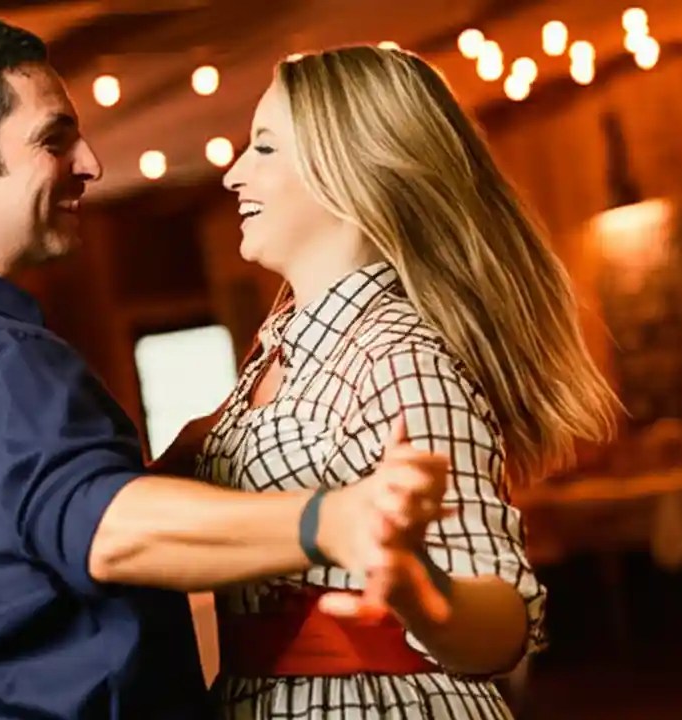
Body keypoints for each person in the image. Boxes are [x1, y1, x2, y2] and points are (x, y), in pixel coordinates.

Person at [0, 20, 454, 720]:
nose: (90, 162)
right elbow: (103, 533)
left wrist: (178, 469)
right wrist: (330, 520)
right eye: (53, 139)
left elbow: (7, 559)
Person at [171, 45, 619, 718]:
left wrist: (418, 589)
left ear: (346, 170)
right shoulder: (281, 353)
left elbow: (501, 622)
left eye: (263, 148)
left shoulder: (399, 358)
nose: (234, 174)